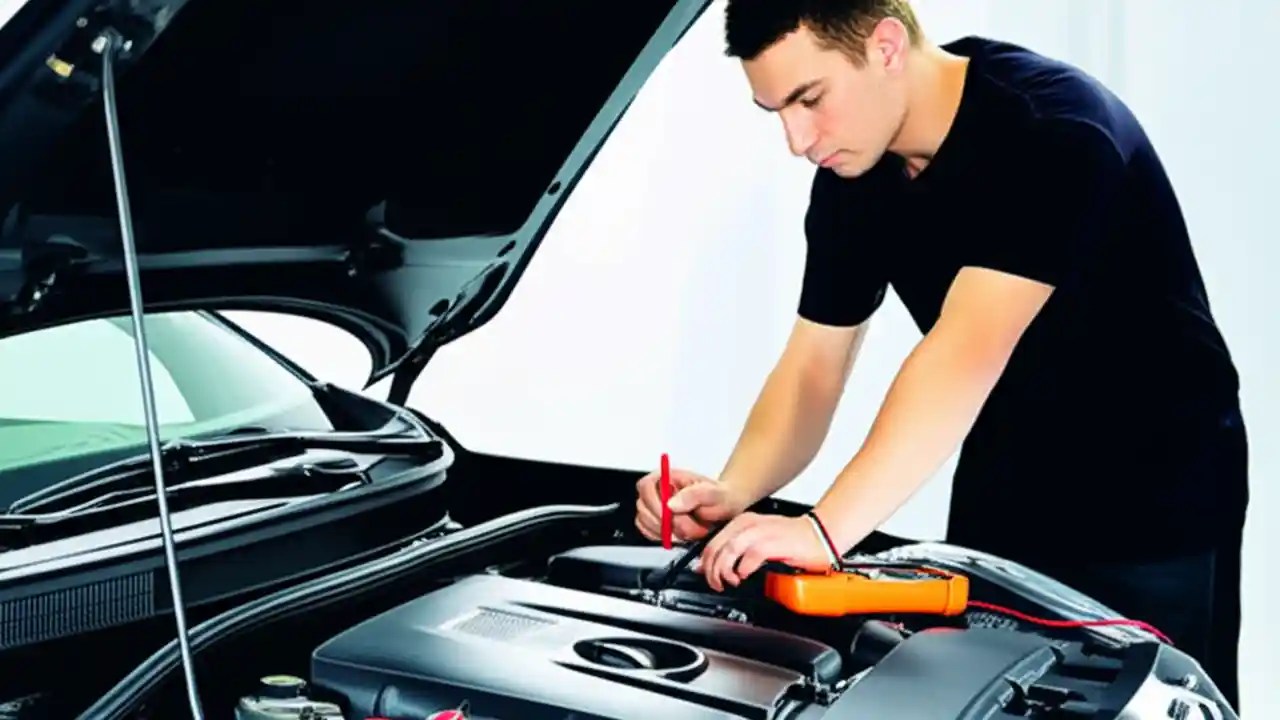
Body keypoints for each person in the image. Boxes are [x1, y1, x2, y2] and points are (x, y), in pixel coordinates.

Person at [633, 0, 1248, 711]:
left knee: (1148, 705)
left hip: (1153, 481)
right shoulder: (851, 177)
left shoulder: (1054, 132)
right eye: (776, 111)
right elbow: (812, 368)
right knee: (990, 695)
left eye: (809, 99)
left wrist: (822, 530)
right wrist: (735, 492)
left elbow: (961, 357)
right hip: (1008, 462)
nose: (796, 139)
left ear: (886, 46)